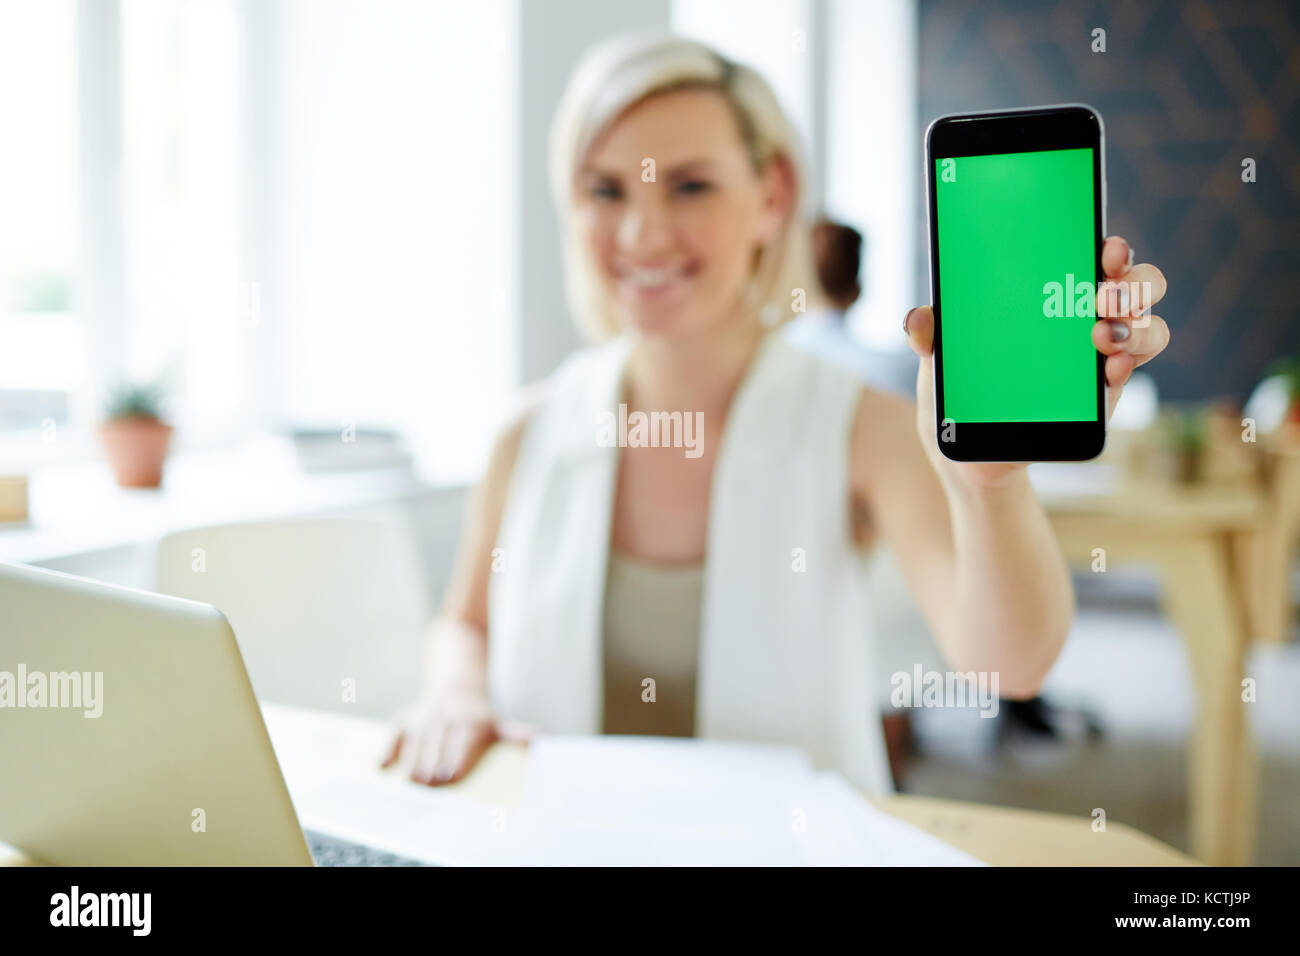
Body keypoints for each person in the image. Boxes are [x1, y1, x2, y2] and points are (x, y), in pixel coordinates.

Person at [383, 33, 1170, 794]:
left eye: (689, 185)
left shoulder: (863, 426)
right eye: (604, 189)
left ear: (773, 197)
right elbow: (464, 621)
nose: (641, 233)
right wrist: (453, 692)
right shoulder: (528, 433)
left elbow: (1011, 667)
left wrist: (990, 487)